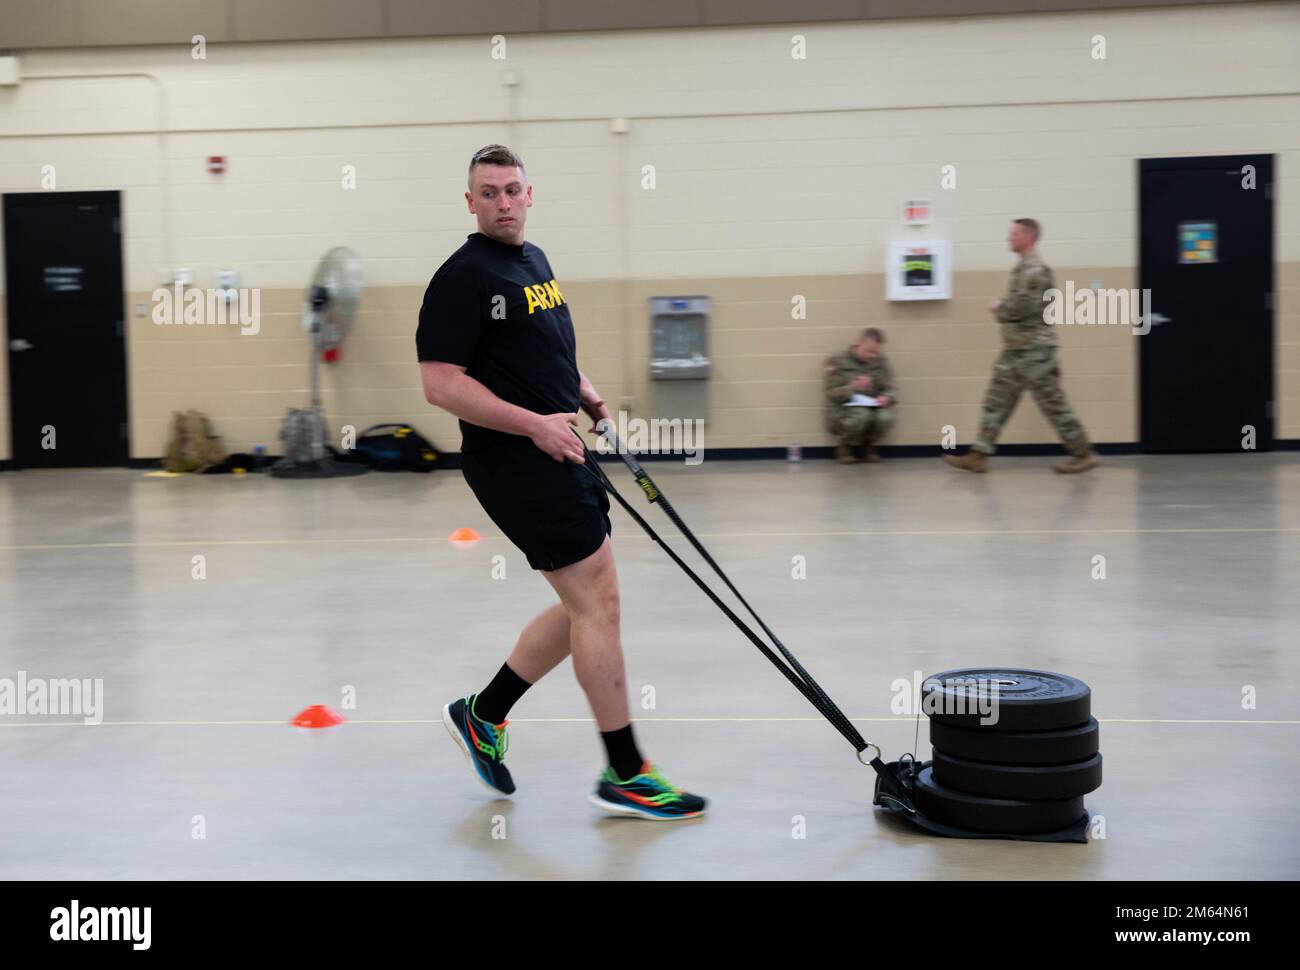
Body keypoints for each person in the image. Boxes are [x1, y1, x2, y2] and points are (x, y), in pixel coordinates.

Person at [416, 145, 706, 820]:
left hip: (560, 449)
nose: (504, 202)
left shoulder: (532, 261)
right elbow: (441, 385)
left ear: (529, 192)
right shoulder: (461, 278)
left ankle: (483, 715)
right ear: (469, 203)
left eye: (513, 189)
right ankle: (627, 772)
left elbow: (540, 349)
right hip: (518, 462)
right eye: (489, 193)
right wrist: (534, 427)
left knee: (587, 602)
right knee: (597, 604)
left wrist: (586, 394)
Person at [944, 218, 1100, 474]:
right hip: (1017, 351)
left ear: (1029, 237)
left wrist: (999, 308)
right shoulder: (1023, 269)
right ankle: (979, 454)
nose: (1009, 238)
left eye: (1014, 234)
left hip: (1035, 353)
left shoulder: (1035, 270)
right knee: (996, 400)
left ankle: (1083, 454)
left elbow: (1025, 307)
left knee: (1053, 404)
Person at [824, 327, 896, 464]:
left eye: (876, 352)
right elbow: (830, 393)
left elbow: (890, 389)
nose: (872, 356)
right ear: (858, 343)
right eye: (869, 351)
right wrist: (853, 387)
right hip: (843, 409)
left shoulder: (880, 361)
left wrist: (887, 397)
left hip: (871, 406)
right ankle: (844, 447)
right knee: (862, 414)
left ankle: (868, 446)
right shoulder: (837, 361)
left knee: (885, 417)